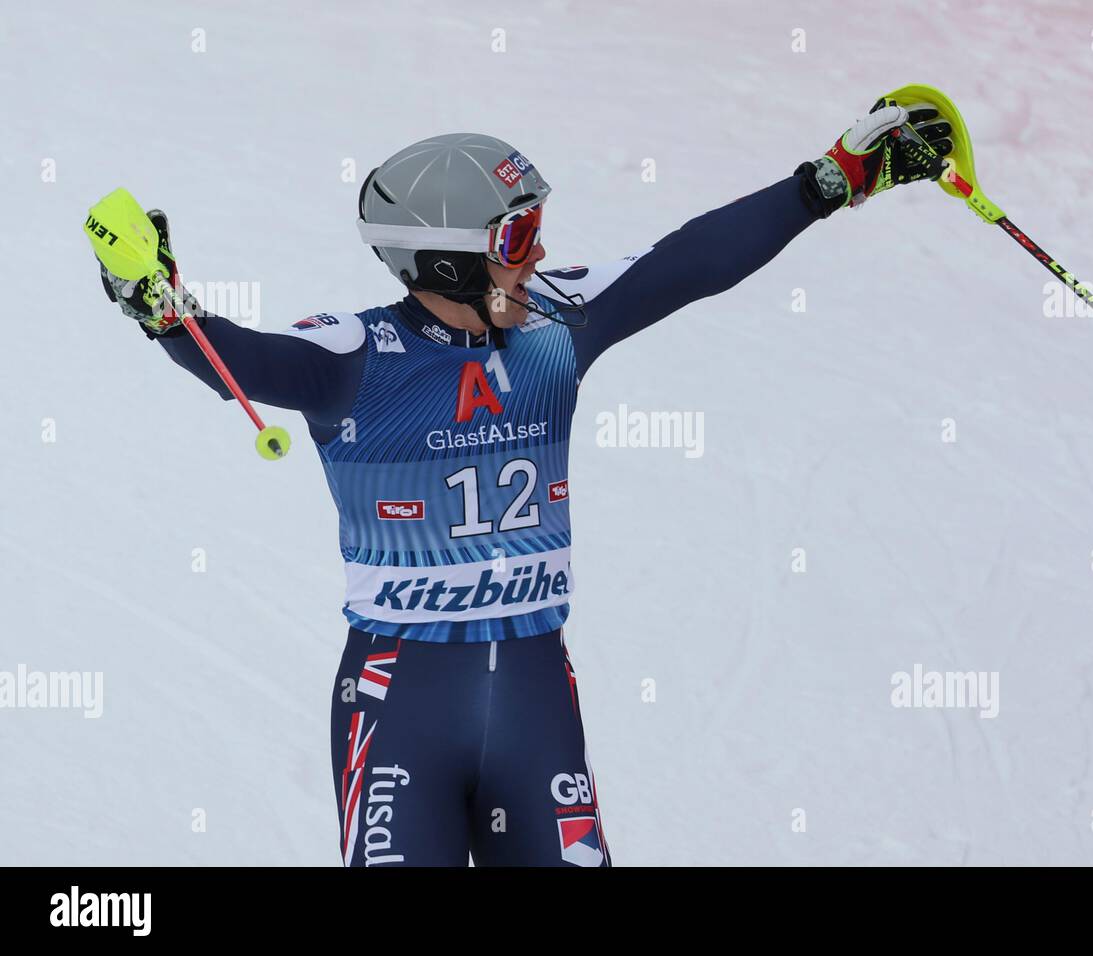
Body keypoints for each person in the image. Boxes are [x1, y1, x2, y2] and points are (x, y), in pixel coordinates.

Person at [95, 100, 952, 866]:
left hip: (533, 692)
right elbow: (236, 359)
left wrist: (828, 182)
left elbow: (686, 263)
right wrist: (162, 309)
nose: (536, 254)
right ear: (444, 263)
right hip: (399, 701)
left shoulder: (553, 325)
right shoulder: (353, 358)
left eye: (535, 226)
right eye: (513, 238)